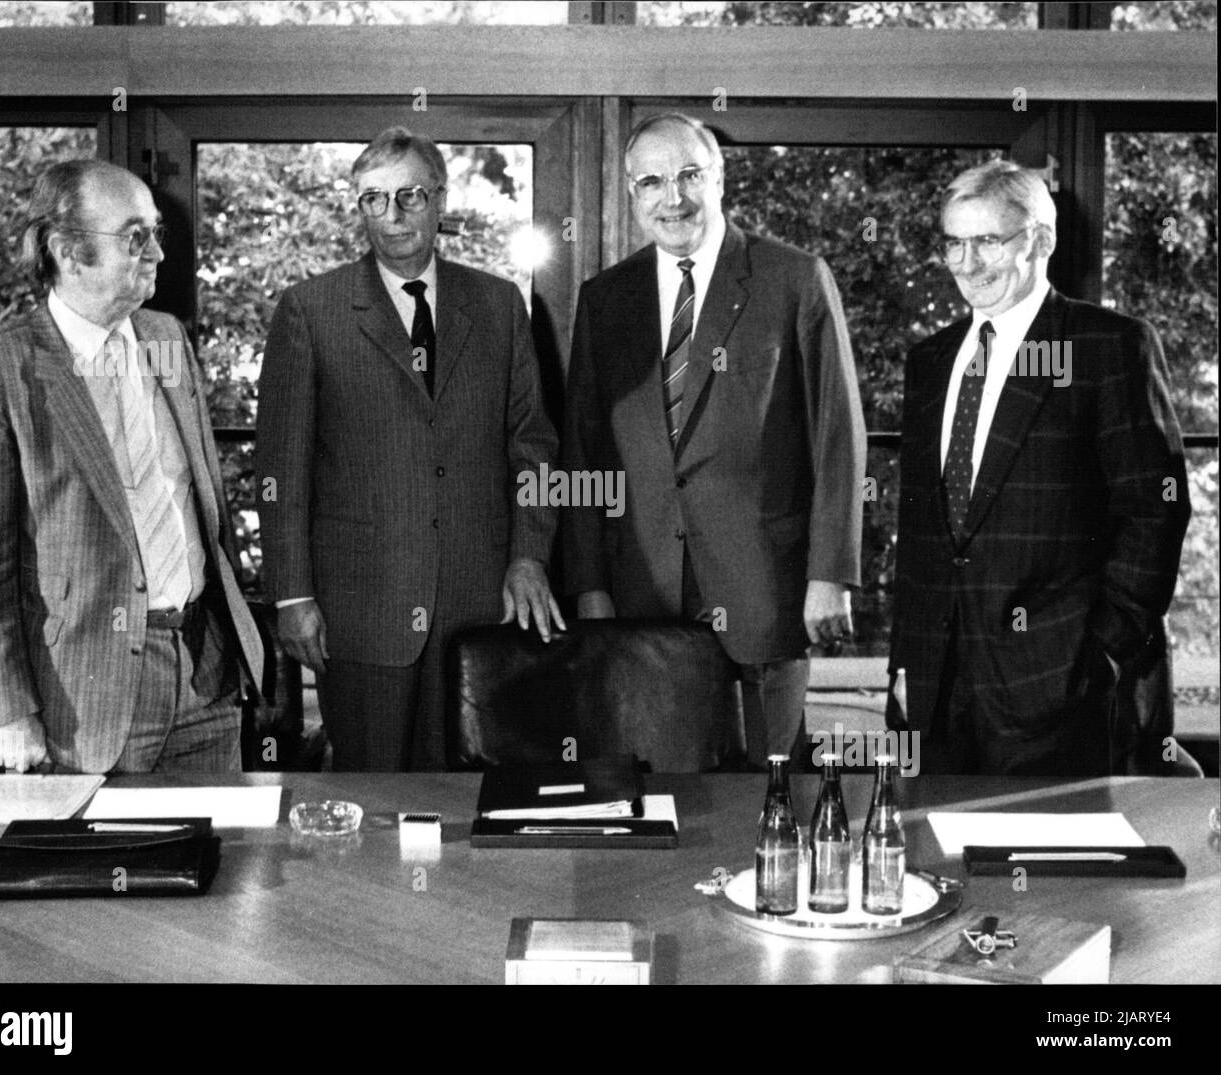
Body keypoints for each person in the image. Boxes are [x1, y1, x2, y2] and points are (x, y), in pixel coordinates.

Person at [0, 159, 264, 774]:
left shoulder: (167, 337)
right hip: (90, 699)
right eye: (135, 236)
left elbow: (196, 499)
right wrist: (9, 712)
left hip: (206, 673)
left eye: (157, 232)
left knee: (219, 862)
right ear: (68, 251)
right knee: (105, 866)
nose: (158, 254)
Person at [563, 112, 866, 764]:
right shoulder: (604, 299)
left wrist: (829, 573)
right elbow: (583, 454)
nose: (673, 198)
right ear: (633, 196)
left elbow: (836, 434)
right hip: (643, 597)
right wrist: (589, 581)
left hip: (763, 589)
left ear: (721, 177)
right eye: (652, 182)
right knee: (661, 792)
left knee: (769, 793)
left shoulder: (794, 279)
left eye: (689, 175)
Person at [256, 127, 561, 771]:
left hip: (480, 606)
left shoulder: (499, 304)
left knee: (473, 807)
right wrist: (291, 596)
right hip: (359, 612)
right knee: (373, 803)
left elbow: (532, 448)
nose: (391, 216)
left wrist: (529, 557)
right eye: (373, 199)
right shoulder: (311, 310)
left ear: (442, 201)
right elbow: (281, 469)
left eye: (410, 195)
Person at [888, 159, 1191, 775]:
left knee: (1055, 866)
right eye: (953, 243)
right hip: (937, 691)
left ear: (1041, 242)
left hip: (1065, 688)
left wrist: (1101, 654)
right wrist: (905, 664)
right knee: (937, 859)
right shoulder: (932, 360)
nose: (966, 265)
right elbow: (924, 530)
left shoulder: (1107, 346)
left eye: (988, 242)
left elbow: (1154, 513)